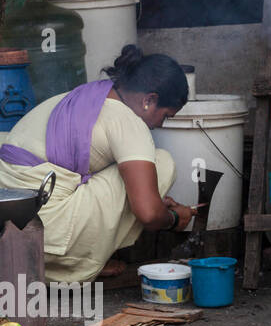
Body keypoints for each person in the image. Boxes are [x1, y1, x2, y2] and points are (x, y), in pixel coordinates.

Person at [0, 45, 198, 282]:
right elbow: (148, 214)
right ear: (149, 100)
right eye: (165, 116)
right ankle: (77, 264)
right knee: (161, 162)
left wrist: (150, 196)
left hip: (7, 228)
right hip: (44, 237)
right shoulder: (127, 123)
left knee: (132, 176)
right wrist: (173, 218)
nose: (160, 125)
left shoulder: (85, 96)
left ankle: (76, 259)